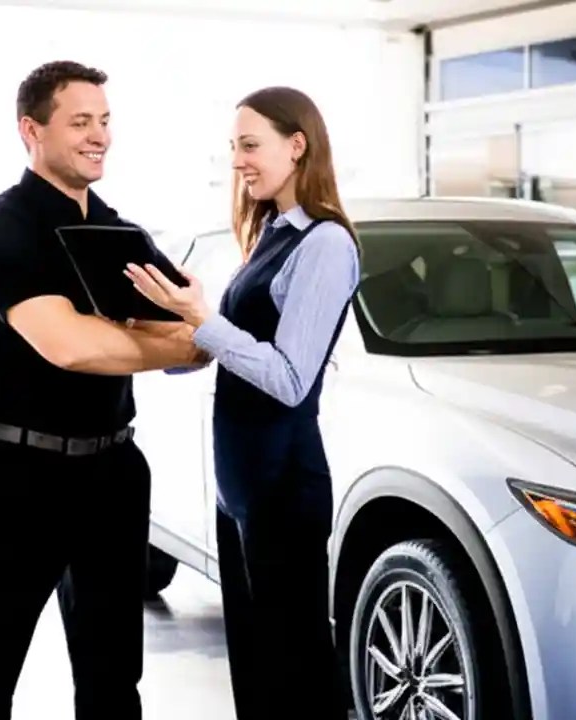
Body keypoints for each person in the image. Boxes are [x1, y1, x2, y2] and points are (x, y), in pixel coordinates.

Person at [0, 60, 200, 720]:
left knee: (113, 680)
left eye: (105, 121)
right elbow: (69, 346)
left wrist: (144, 339)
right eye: (81, 121)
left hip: (112, 473)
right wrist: (149, 340)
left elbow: (195, 333)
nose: (100, 136)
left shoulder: (120, 234)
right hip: (15, 474)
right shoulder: (0, 228)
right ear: (31, 131)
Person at [124, 85, 360, 720]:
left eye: (250, 145)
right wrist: (171, 326)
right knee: (257, 671)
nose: (238, 161)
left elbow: (289, 378)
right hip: (243, 487)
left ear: (297, 145)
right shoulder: (272, 234)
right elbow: (232, 349)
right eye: (234, 147)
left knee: (293, 674)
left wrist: (204, 319)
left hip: (282, 485)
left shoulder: (326, 243)